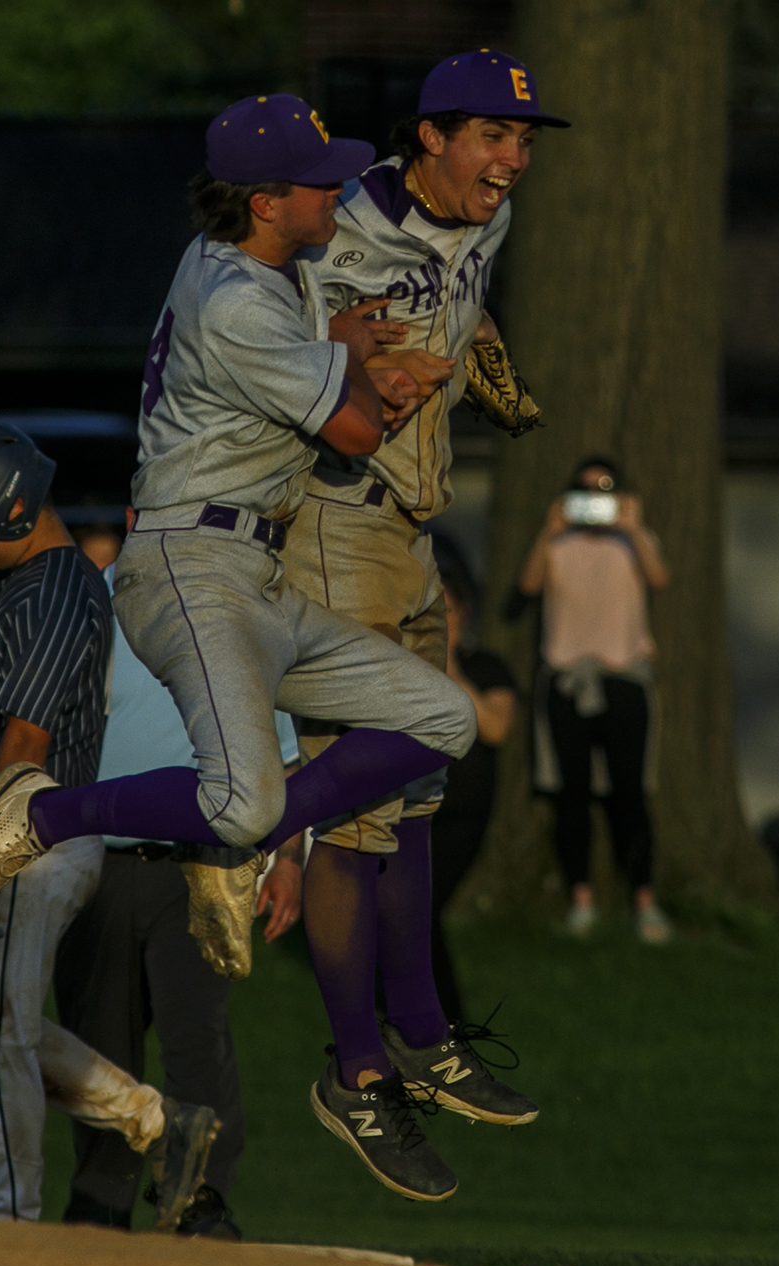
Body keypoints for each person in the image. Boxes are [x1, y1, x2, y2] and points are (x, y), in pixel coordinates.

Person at [0, 94, 501, 1204]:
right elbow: (348, 432)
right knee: (239, 802)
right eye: (317, 182)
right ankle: (38, 816)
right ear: (263, 202)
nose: (336, 192)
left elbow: (299, 361)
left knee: (442, 721)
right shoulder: (242, 295)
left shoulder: (243, 267)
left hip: (254, 574)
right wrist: (400, 381)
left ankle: (229, 844)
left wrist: (342, 343)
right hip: (191, 569)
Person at [281, 51, 552, 1136]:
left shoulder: (480, 221)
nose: (514, 159)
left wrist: (483, 346)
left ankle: (424, 1039)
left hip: (412, 530)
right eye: (494, 136)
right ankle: (356, 1073)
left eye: (525, 141)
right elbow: (273, 345)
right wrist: (353, 362)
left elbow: (456, 300)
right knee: (355, 812)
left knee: (421, 784)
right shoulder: (337, 226)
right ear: (431, 135)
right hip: (333, 522)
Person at [0, 424, 217, 1227]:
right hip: (14, 827)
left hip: (30, 832)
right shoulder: (20, 584)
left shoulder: (56, 589)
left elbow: (27, 739)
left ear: (14, 510)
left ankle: (10, 1219)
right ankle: (158, 1121)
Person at [52, 514, 306, 1238]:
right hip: (93, 861)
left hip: (201, 864)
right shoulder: (86, 609)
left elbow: (280, 758)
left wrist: (290, 858)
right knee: (98, 1043)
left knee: (198, 1039)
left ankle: (200, 1200)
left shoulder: (238, 614)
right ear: (135, 518)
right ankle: (100, 1197)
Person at [518, 456, 673, 944]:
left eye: (604, 491)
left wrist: (634, 526)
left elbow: (660, 578)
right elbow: (528, 585)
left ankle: (644, 900)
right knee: (573, 795)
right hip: (567, 680)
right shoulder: (558, 544)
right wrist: (548, 530)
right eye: (584, 491)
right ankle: (580, 899)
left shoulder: (635, 542)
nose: (594, 500)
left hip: (624, 678)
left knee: (630, 794)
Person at [427, 539, 519, 1022]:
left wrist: (451, 669)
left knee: (421, 911)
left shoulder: (487, 668)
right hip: (411, 808)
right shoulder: (407, 673)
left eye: (449, 609)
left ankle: (448, 1024)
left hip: (461, 812)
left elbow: (497, 727)